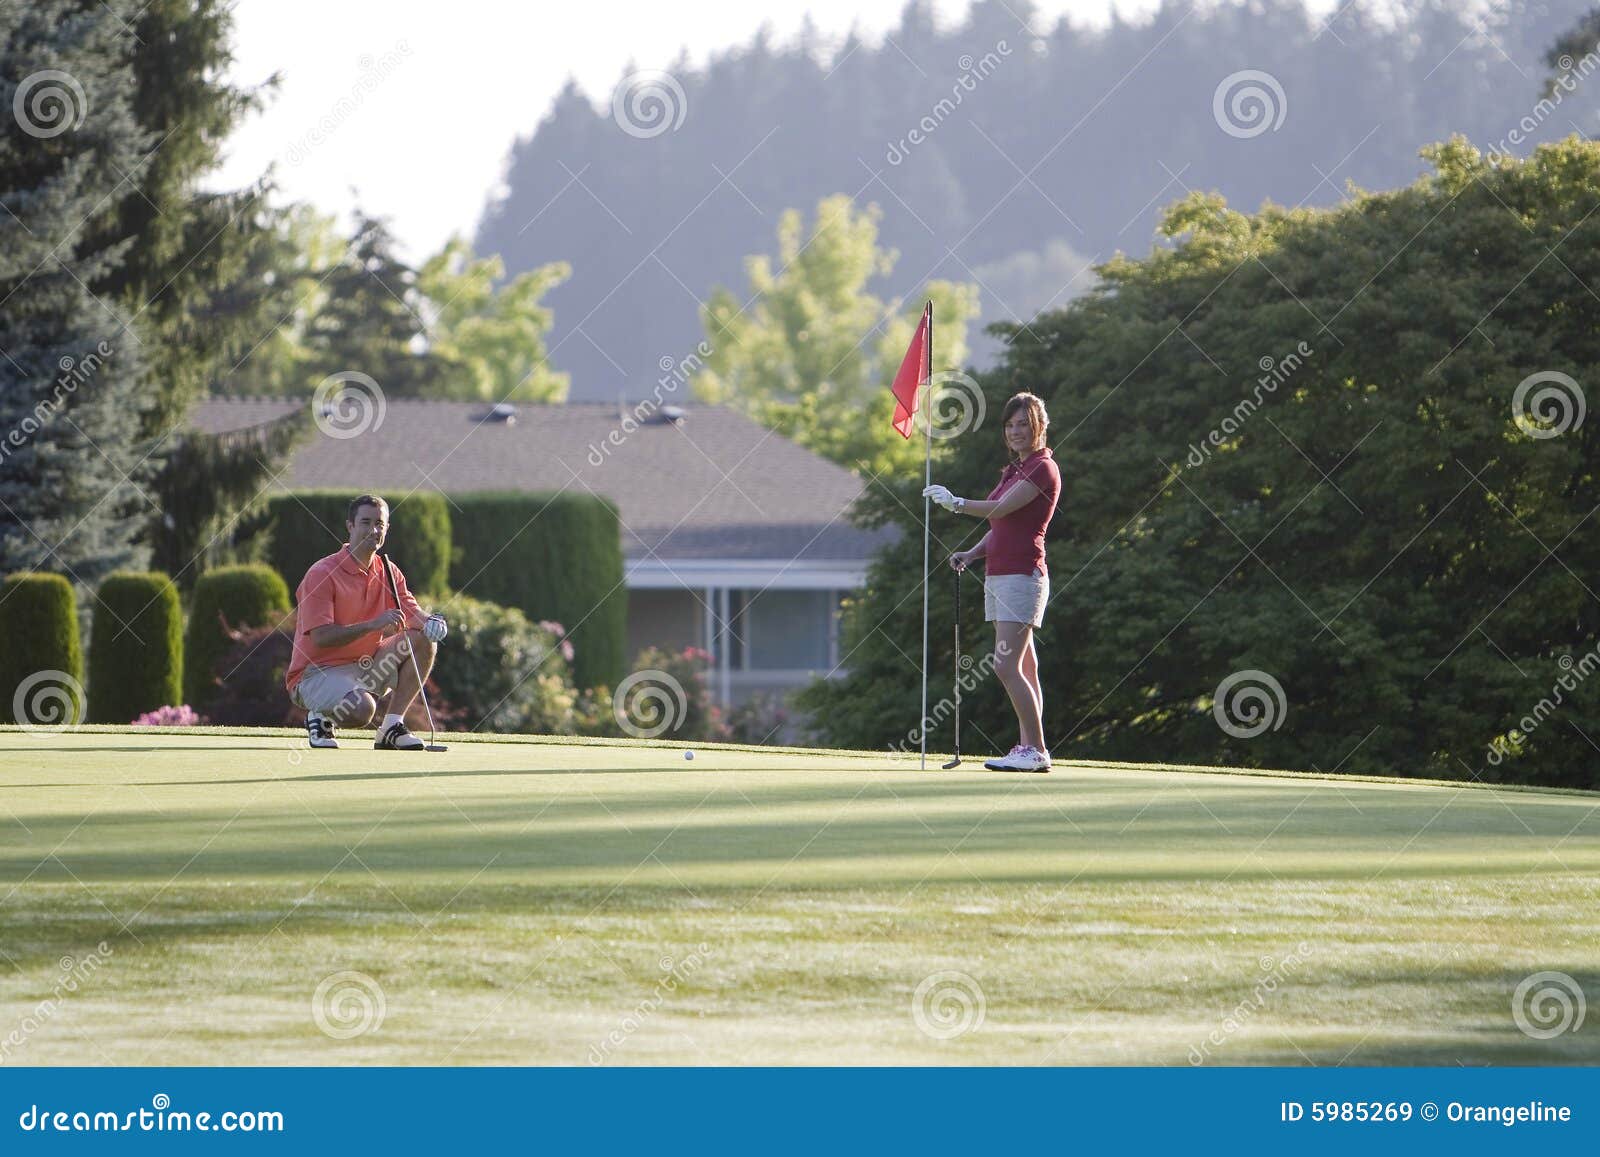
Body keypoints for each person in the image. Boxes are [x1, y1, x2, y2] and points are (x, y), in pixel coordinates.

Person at [924, 392, 1061, 772]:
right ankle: (1030, 747)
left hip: (1023, 575)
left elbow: (1001, 509)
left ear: (1040, 427)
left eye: (1024, 424)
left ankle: (1034, 751)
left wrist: (956, 503)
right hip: (1000, 575)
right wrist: (971, 553)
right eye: (1011, 425)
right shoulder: (1013, 470)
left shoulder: (1042, 468)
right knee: (1026, 667)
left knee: (1004, 665)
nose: (1016, 431)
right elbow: (1000, 526)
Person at [284, 494, 448, 750]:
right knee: (362, 710)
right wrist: (373, 625)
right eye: (366, 522)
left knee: (424, 639)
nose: (373, 530)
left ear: (386, 529)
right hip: (315, 674)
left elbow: (413, 612)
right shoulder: (322, 573)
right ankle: (320, 716)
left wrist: (433, 621)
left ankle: (391, 727)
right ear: (350, 526)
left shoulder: (389, 571)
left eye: (380, 524)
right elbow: (321, 637)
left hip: (364, 666)